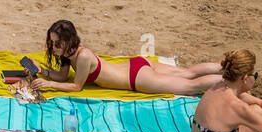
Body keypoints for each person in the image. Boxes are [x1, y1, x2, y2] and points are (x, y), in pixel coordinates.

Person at [32, 20, 222, 97]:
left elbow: (76, 86)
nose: (53, 47)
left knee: (191, 86)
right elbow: (63, 77)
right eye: (52, 43)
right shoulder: (69, 53)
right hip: (136, 64)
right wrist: (43, 72)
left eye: (56, 43)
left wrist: (50, 85)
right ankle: (225, 67)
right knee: (188, 73)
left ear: (68, 41)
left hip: (137, 79)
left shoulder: (83, 57)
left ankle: (228, 76)